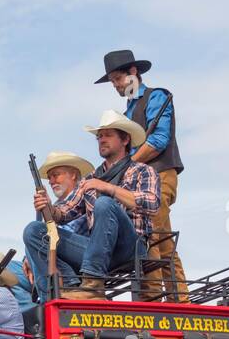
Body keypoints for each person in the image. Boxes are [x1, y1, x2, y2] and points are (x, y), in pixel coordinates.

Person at [96, 49, 187, 300]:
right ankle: (181, 301)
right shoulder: (127, 113)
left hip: (159, 176)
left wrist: (126, 165)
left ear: (133, 72)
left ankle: (151, 301)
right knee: (163, 242)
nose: (115, 85)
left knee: (150, 239)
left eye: (117, 79)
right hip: (141, 182)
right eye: (112, 81)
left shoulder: (156, 96)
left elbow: (158, 140)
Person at [38, 112, 159, 300]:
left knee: (105, 204)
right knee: (34, 230)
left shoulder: (143, 171)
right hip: (98, 251)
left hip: (129, 248)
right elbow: (64, 213)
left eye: (108, 135)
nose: (101, 140)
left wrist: (108, 188)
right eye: (99, 136)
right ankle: (67, 288)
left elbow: (152, 204)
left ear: (125, 139)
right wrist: (48, 206)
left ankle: (93, 285)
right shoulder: (91, 178)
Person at [22, 151, 94, 299]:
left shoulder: (82, 195)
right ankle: (47, 298)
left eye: (56, 175)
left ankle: (64, 285)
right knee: (15, 266)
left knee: (33, 232)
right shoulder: (55, 206)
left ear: (73, 174)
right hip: (63, 254)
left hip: (85, 252)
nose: (51, 181)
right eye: (49, 177)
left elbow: (54, 234)